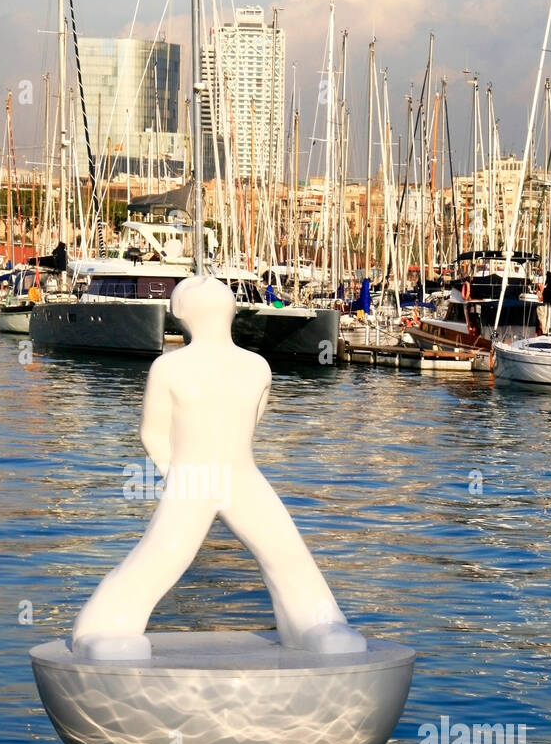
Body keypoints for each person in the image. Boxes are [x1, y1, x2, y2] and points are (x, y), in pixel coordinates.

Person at [72, 274, 367, 662]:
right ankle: (101, 630)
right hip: (199, 477)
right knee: (164, 554)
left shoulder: (252, 367)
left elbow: (155, 433)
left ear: (180, 316)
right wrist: (180, 479)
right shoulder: (173, 368)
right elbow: (154, 433)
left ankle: (315, 625)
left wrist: (178, 473)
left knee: (284, 550)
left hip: (239, 476)